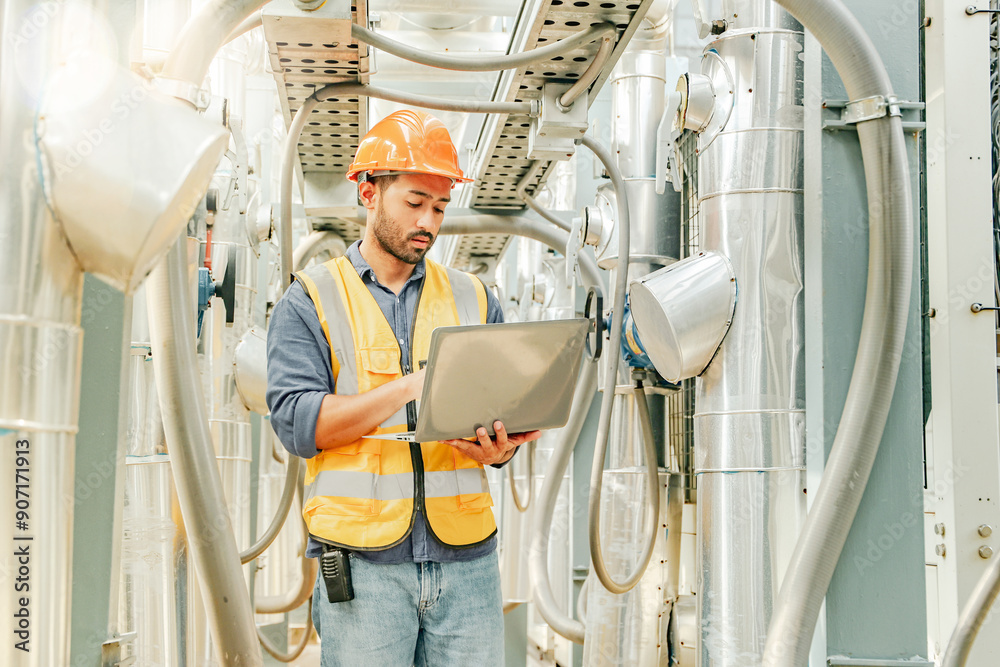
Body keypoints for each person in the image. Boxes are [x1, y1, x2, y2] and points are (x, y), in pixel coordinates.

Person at [266, 109, 542, 667]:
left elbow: (502, 420)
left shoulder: (476, 298)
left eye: (439, 208)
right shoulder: (310, 299)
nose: (429, 222)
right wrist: (411, 387)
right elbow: (300, 426)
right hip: (363, 567)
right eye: (414, 202)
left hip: (467, 564)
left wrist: (500, 449)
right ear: (369, 192)